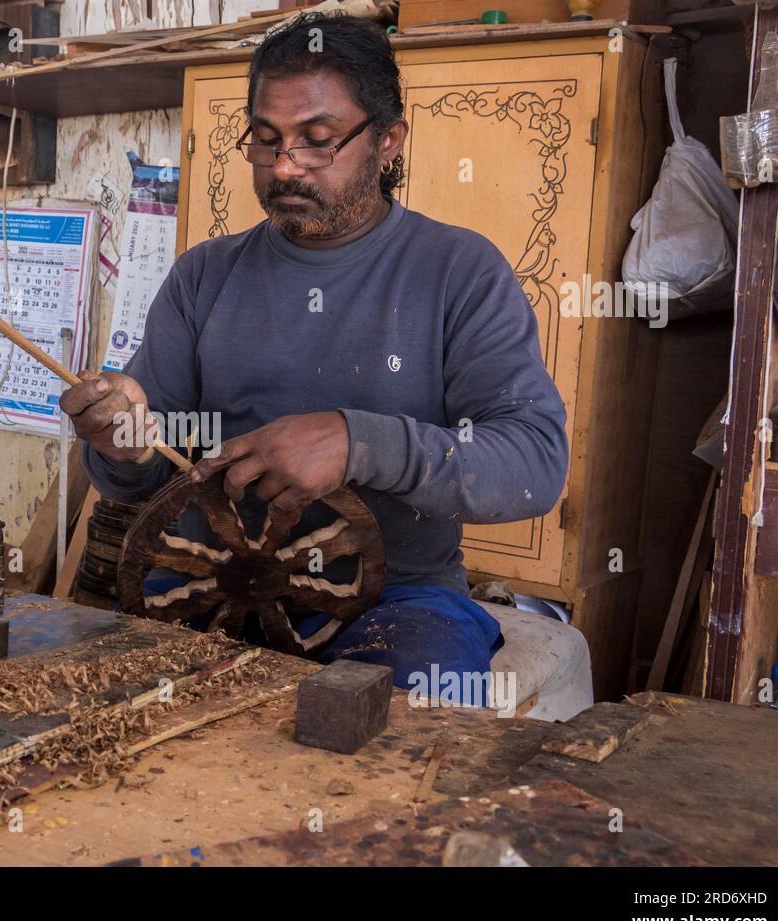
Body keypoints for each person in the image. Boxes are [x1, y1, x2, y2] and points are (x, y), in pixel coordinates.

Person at [60, 11, 568, 705]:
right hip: (212, 583)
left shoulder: (458, 272)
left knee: (388, 755)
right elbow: (151, 471)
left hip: (398, 603)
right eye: (265, 141)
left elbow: (535, 465)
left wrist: (358, 441)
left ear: (388, 141)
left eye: (318, 141)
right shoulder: (204, 276)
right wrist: (120, 439)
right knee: (98, 729)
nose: (285, 166)